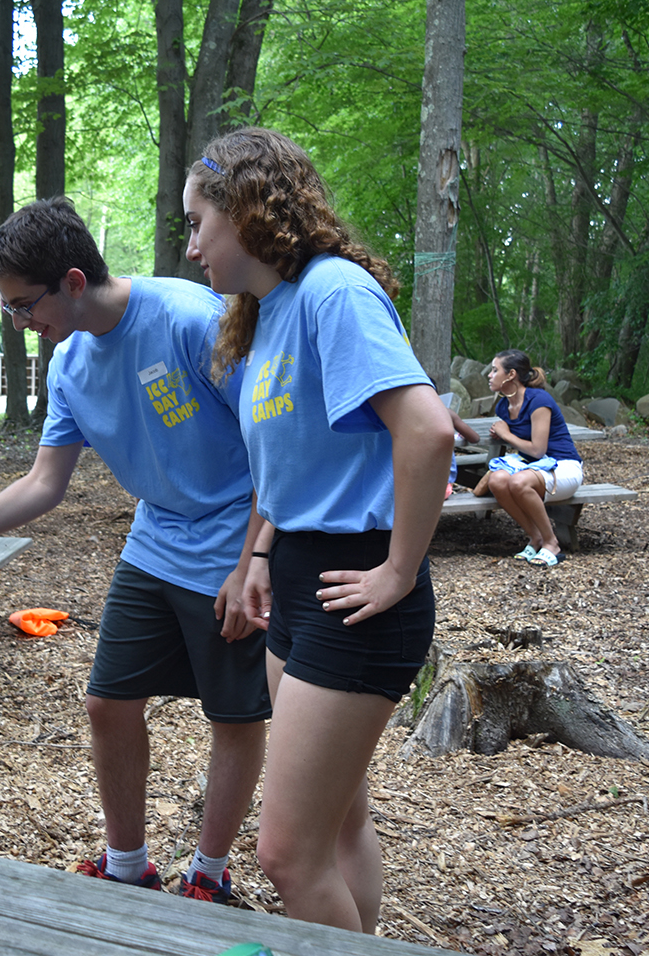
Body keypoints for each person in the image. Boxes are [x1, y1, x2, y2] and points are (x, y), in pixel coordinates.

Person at [0, 197, 269, 903]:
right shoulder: (67, 364)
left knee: (234, 713)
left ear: (71, 281)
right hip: (155, 541)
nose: (17, 321)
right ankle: (128, 865)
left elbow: (271, 448)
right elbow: (44, 483)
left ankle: (209, 877)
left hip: (232, 544)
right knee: (108, 702)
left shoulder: (190, 319)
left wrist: (254, 563)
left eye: (21, 304)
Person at [183, 128, 455, 932]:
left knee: (285, 855)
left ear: (246, 211)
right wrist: (262, 554)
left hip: (359, 590)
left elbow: (428, 431)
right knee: (338, 826)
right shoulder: (265, 312)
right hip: (300, 577)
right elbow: (287, 455)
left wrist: (399, 569)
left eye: (199, 223)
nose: (192, 245)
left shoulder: (334, 292)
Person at [473, 349, 584, 567]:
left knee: (518, 481)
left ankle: (552, 543)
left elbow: (537, 450)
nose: (489, 374)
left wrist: (505, 434)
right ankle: (536, 538)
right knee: (497, 480)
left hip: (563, 468)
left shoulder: (538, 400)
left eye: (495, 370)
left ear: (511, 375)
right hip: (534, 469)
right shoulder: (503, 406)